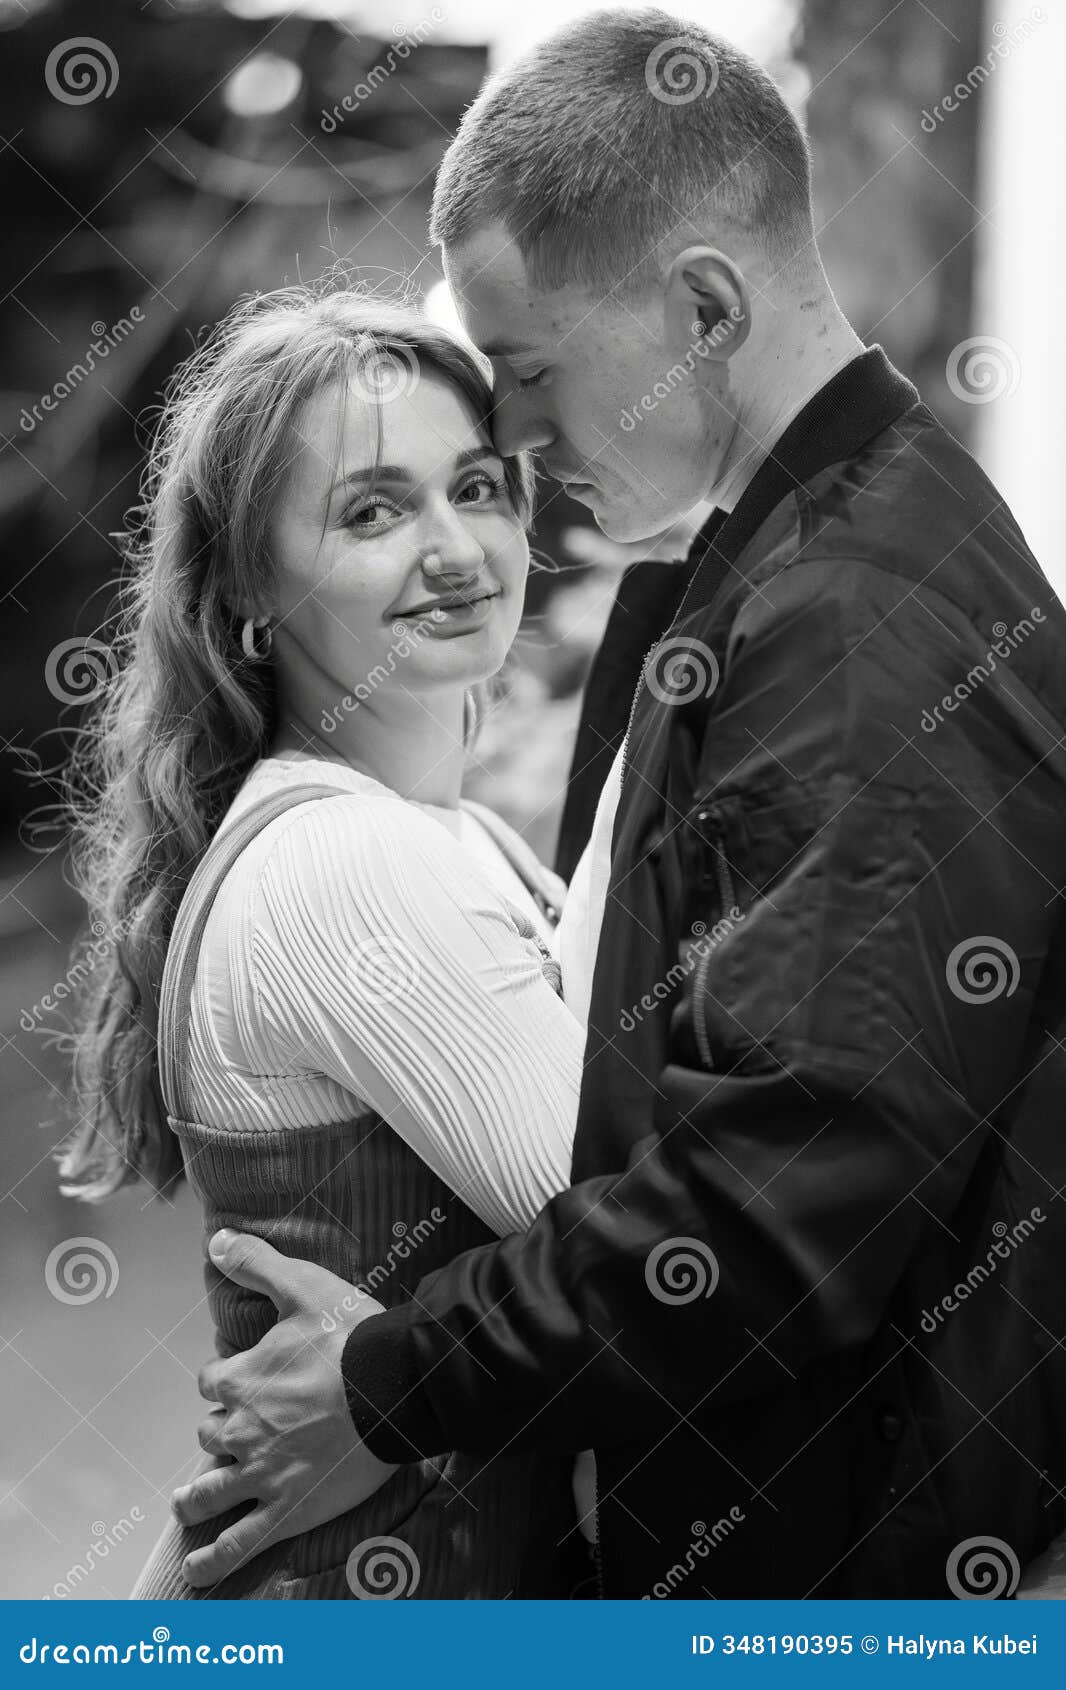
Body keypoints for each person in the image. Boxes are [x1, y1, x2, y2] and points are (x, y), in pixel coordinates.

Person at [157, 11, 1066, 1599]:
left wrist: (392, 1379)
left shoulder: (847, 626)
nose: (506, 442)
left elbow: (770, 1208)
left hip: (870, 1560)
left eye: (522, 375)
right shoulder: (800, 570)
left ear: (702, 308)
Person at [57, 285, 600, 1598]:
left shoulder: (432, 836)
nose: (456, 546)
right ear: (250, 582)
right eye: (371, 510)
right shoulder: (343, 864)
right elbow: (654, 1269)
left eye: (476, 486)